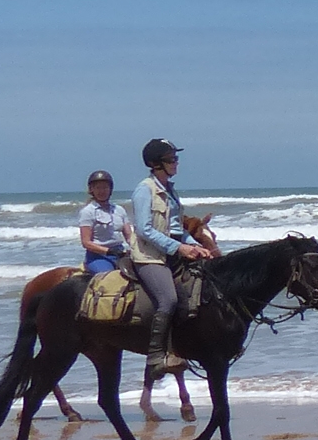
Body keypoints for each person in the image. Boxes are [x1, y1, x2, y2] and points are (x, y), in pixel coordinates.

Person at [129, 139, 215, 378]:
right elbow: (144, 229)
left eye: (176, 159)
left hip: (173, 250)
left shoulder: (170, 191)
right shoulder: (144, 190)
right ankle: (156, 357)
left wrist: (195, 246)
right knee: (168, 299)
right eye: (171, 159)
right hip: (150, 256)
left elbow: (176, 229)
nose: (176, 163)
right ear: (156, 163)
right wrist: (179, 248)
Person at [77, 170, 132, 276]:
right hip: (98, 257)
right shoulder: (88, 212)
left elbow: (129, 236)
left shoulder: (119, 210)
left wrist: (136, 249)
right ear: (92, 189)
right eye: (98, 188)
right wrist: (108, 251)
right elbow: (86, 242)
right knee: (109, 278)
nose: (102, 191)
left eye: (105, 187)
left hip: (120, 253)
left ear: (110, 189)